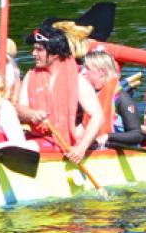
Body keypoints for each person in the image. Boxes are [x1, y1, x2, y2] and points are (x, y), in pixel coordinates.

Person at [14, 25, 104, 163]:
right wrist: (31, 114)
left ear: (55, 53)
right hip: (37, 137)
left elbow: (97, 116)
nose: (33, 53)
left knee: (19, 147)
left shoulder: (77, 81)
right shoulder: (30, 75)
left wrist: (81, 148)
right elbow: (20, 108)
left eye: (39, 50)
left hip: (65, 143)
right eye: (34, 49)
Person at [82, 49, 144, 146]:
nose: (83, 72)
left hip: (119, 151)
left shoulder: (121, 97)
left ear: (102, 72)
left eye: (87, 68)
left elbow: (137, 135)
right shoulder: (90, 95)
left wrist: (108, 136)